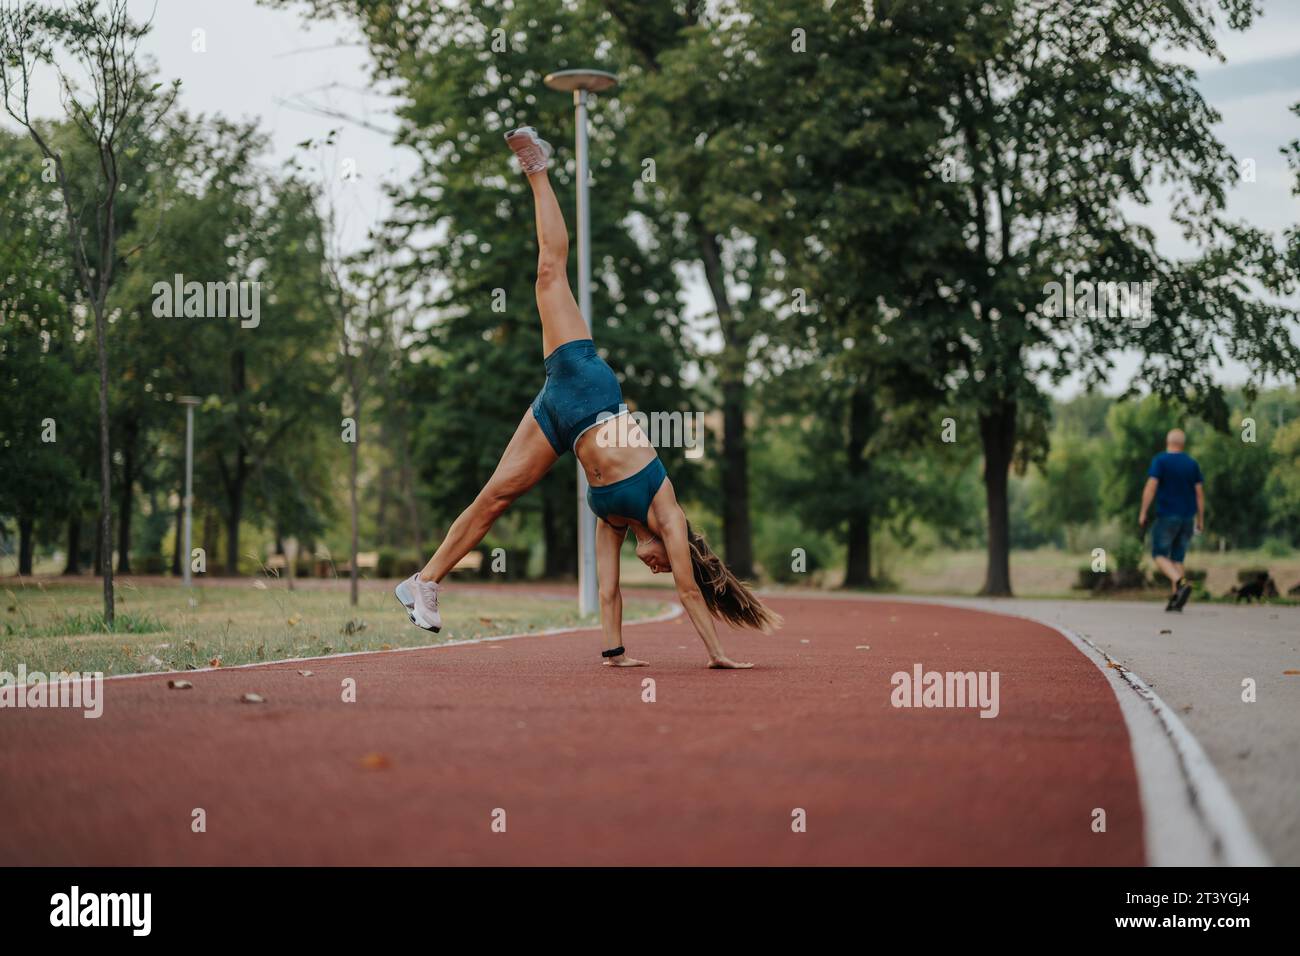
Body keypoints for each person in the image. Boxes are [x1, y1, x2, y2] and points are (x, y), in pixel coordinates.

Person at [394, 126, 780, 667]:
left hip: (557, 415)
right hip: (587, 384)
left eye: (659, 568)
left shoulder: (612, 520)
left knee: (495, 498)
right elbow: (692, 592)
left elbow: (607, 592)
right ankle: (537, 167)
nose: (658, 567)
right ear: (676, 547)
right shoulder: (664, 505)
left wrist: (615, 653)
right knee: (549, 271)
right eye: (665, 564)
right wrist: (720, 657)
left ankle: (423, 582)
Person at [1138, 428, 1205, 612]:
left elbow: (1151, 487)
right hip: (1187, 518)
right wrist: (1201, 519)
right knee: (1177, 558)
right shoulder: (1192, 464)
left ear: (1168, 442)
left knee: (1158, 555)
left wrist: (1143, 512)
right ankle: (1177, 598)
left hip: (1167, 515)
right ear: (1183, 444)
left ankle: (1180, 582)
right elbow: (1199, 494)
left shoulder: (1161, 461)